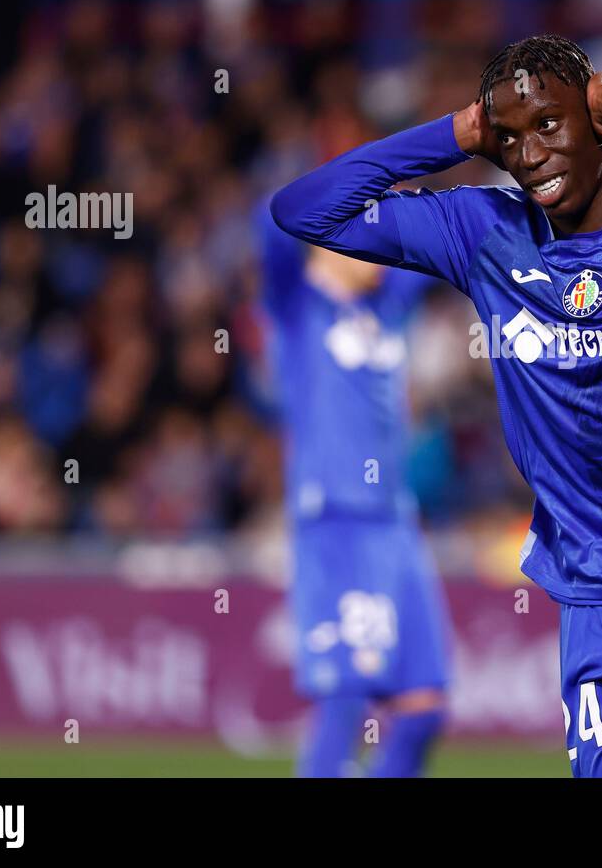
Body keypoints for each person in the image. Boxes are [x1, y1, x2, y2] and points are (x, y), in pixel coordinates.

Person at [270, 35, 602, 777]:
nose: (530, 153)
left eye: (551, 124)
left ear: (596, 123)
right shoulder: (482, 234)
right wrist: (455, 133)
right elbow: (306, 210)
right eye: (511, 137)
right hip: (597, 594)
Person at [257, 201, 451, 777]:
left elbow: (442, 240)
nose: (382, 252)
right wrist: (344, 189)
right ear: (325, 243)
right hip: (337, 523)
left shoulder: (386, 306)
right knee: (345, 700)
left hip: (397, 528)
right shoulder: (297, 309)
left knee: (423, 709)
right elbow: (267, 221)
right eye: (366, 235)